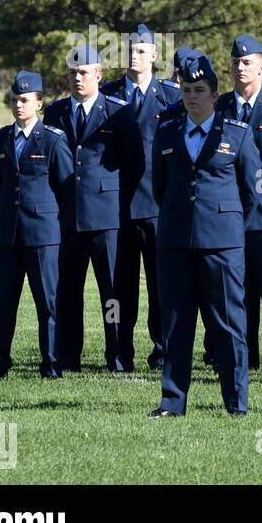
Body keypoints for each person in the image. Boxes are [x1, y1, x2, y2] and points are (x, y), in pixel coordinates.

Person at [149, 52, 261, 417]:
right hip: (176, 243)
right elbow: (160, 187)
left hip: (223, 247)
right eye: (186, 90)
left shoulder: (237, 135)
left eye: (199, 90)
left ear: (215, 96)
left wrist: (230, 229)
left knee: (228, 327)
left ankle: (235, 403)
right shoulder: (166, 133)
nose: (191, 96)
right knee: (177, 325)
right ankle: (172, 402)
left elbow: (254, 191)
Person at [43, 43, 130, 372]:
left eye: (84, 73)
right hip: (66, 216)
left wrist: (117, 203)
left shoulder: (117, 112)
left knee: (112, 294)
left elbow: (132, 161)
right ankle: (68, 356)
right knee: (67, 291)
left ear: (98, 74)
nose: (78, 78)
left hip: (106, 216)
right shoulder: (55, 113)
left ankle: (117, 355)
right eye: (73, 73)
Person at [0, 71, 74, 380]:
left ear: (39, 103)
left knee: (48, 304)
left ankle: (51, 365)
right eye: (14, 100)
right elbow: (0, 184)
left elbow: (65, 187)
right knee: (2, 304)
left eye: (24, 100)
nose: (18, 105)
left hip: (42, 235)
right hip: (7, 235)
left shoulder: (52, 139)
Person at [102, 23, 182, 371]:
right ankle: (119, 352)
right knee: (118, 291)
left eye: (141, 49)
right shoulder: (107, 95)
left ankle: (162, 350)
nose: (134, 55)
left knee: (161, 286)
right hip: (116, 208)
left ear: (154, 55)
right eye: (129, 49)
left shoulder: (172, 97)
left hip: (157, 207)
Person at [215, 34, 262, 371]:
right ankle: (242, 363)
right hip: (231, 216)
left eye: (247, 63)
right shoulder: (221, 109)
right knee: (237, 298)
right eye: (236, 63)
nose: (240, 68)